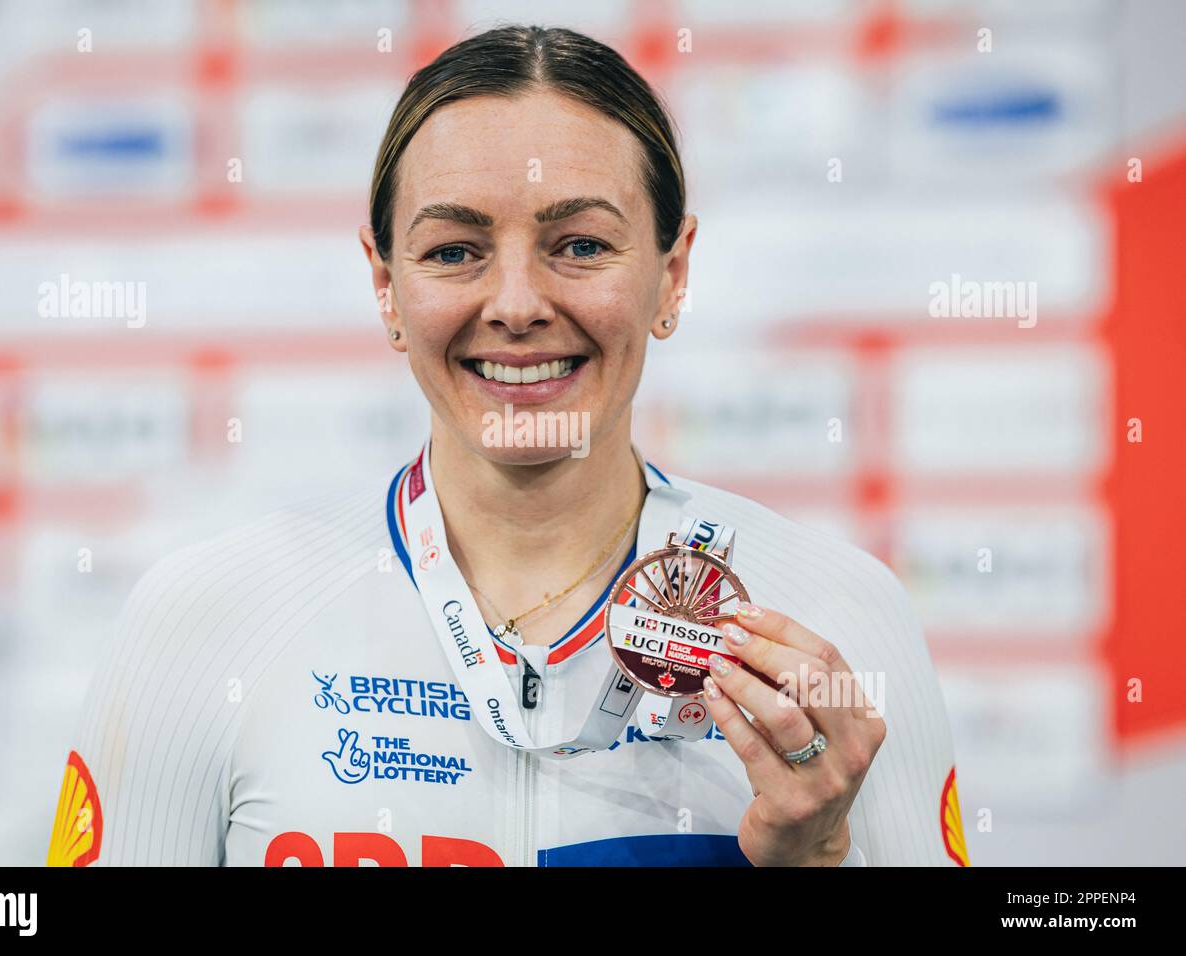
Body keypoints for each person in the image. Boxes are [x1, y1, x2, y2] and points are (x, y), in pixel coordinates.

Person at [47, 24, 968, 867]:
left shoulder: (839, 620)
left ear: (671, 273)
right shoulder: (207, 619)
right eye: (454, 251)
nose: (518, 303)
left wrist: (815, 858)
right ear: (385, 284)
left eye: (579, 244)